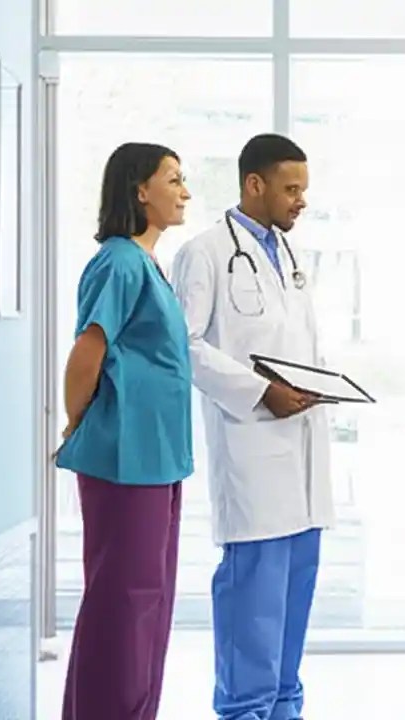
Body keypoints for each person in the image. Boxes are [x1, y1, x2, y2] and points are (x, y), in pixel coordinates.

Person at [170, 133, 332, 720]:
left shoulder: (289, 257)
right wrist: (262, 391)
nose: (301, 201)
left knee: (293, 601)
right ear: (253, 185)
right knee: (253, 603)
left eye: (304, 190)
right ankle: (244, 710)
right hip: (252, 449)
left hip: (303, 454)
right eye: (291, 189)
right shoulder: (206, 252)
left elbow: (295, 344)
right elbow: (181, 346)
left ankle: (284, 709)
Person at [55, 142, 194, 720]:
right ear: (140, 190)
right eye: (174, 179)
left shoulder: (148, 264)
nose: (185, 191)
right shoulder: (118, 261)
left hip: (159, 458)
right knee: (122, 604)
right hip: (124, 457)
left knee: (149, 605)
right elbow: (87, 352)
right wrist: (78, 421)